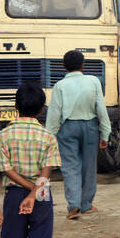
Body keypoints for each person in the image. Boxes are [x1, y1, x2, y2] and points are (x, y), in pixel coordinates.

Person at [0, 83, 60, 238]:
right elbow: (47, 170)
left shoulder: (2, 136)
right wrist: (35, 192)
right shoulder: (48, 137)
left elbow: (6, 169)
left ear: (15, 107)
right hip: (41, 194)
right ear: (42, 109)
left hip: (14, 196)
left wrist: (26, 190)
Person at [45, 50, 110, 219]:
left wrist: (49, 138)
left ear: (63, 66)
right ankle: (86, 204)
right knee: (89, 166)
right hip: (90, 127)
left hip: (68, 128)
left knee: (70, 167)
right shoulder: (93, 81)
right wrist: (105, 133)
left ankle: (74, 204)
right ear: (83, 65)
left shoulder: (59, 86)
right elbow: (101, 109)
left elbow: (54, 114)